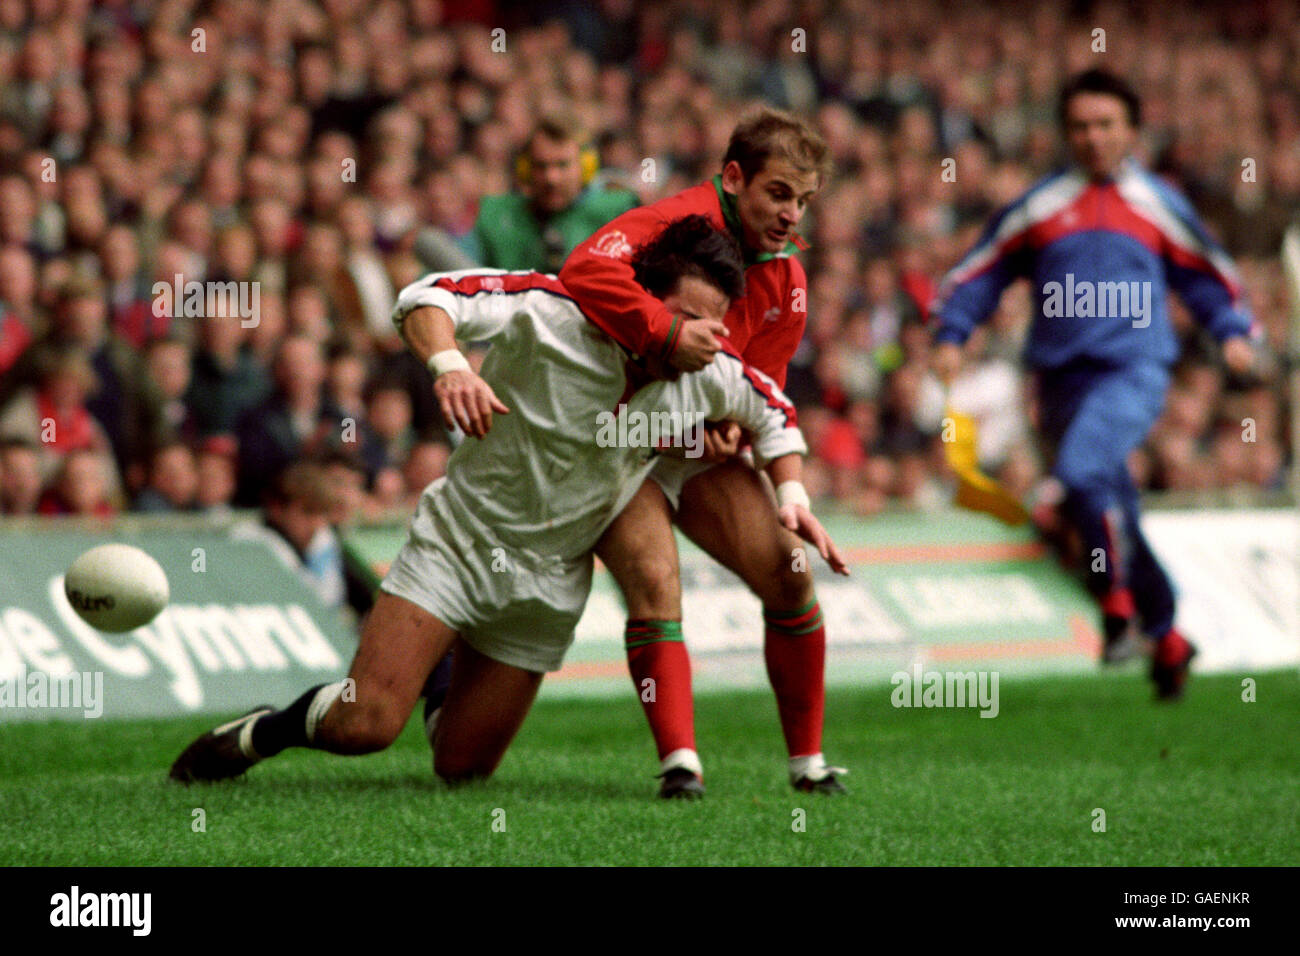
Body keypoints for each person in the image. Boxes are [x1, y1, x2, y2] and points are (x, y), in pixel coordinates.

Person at [169, 216, 846, 788]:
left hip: (548, 582)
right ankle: (265, 729)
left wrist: (789, 493)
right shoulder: (551, 311)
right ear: (640, 301)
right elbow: (428, 296)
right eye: (686, 318)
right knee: (365, 726)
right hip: (460, 542)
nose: (703, 337)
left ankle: (437, 670)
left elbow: (774, 410)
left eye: (715, 327)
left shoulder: (706, 373)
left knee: (461, 770)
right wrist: (452, 365)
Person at [929, 69, 1261, 700]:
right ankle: (1167, 636)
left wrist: (1233, 329)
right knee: (1114, 508)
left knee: (1080, 478)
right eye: (1080, 126)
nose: (1093, 137)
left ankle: (1115, 613)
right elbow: (978, 272)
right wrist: (952, 333)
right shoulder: (1040, 205)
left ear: (1131, 130)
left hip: (1133, 370)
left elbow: (1208, 273)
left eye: (1106, 124)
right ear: (1065, 133)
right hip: (1055, 380)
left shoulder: (1158, 203)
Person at [556, 107, 840, 796]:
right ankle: (680, 766)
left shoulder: (789, 280)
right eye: (778, 193)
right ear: (734, 177)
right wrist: (666, 334)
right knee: (657, 583)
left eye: (803, 201)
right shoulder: (674, 219)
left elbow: (760, 393)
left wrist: (732, 431)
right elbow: (583, 269)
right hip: (623, 444)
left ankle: (809, 766)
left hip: (697, 453)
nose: (790, 214)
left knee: (792, 574)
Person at [474, 114, 638, 273]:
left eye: (562, 164)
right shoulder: (496, 215)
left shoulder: (618, 212)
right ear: (525, 169)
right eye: (541, 166)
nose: (551, 178)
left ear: (587, 165)